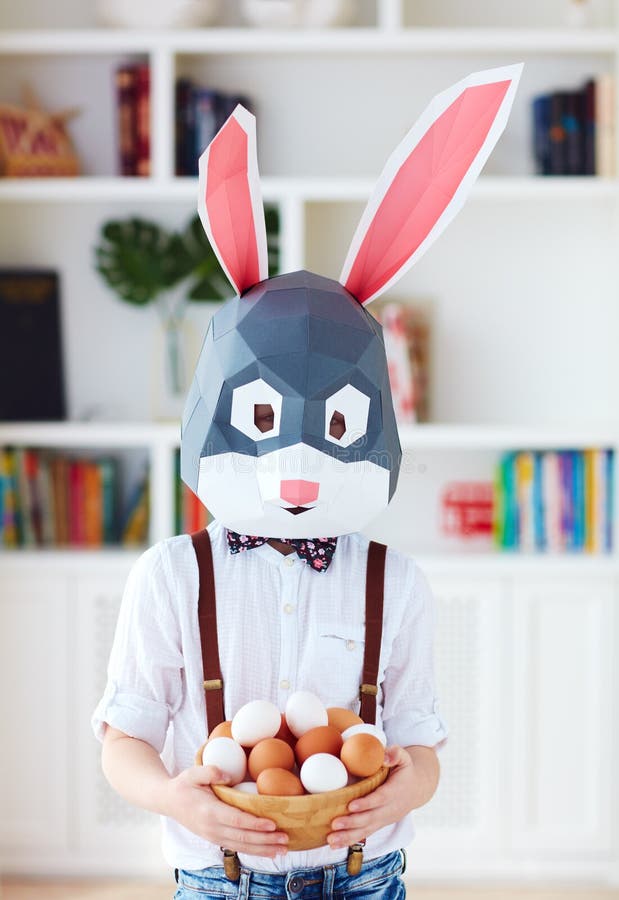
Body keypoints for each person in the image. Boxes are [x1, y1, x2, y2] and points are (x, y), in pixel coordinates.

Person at [93, 65, 521, 898]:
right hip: (217, 877)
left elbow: (422, 746)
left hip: (366, 875)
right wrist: (174, 795)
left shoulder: (395, 582)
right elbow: (123, 741)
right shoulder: (171, 577)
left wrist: (403, 787)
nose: (295, 473)